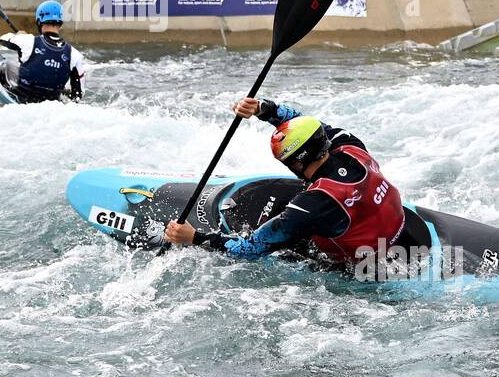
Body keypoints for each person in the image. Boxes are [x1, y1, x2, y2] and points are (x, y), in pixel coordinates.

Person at [164, 97, 406, 264]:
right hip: (397, 226)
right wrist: (262, 108)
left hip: (363, 264)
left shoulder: (311, 205)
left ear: (296, 163)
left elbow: (250, 249)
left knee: (272, 244)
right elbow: (306, 124)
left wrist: (194, 238)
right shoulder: (349, 145)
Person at [0, 1, 87, 104]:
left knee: (5, 65)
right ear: (60, 23)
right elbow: (78, 95)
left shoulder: (28, 41)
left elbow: (3, 39)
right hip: (53, 107)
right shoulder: (75, 54)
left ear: (39, 21)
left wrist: (19, 36)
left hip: (22, 101)